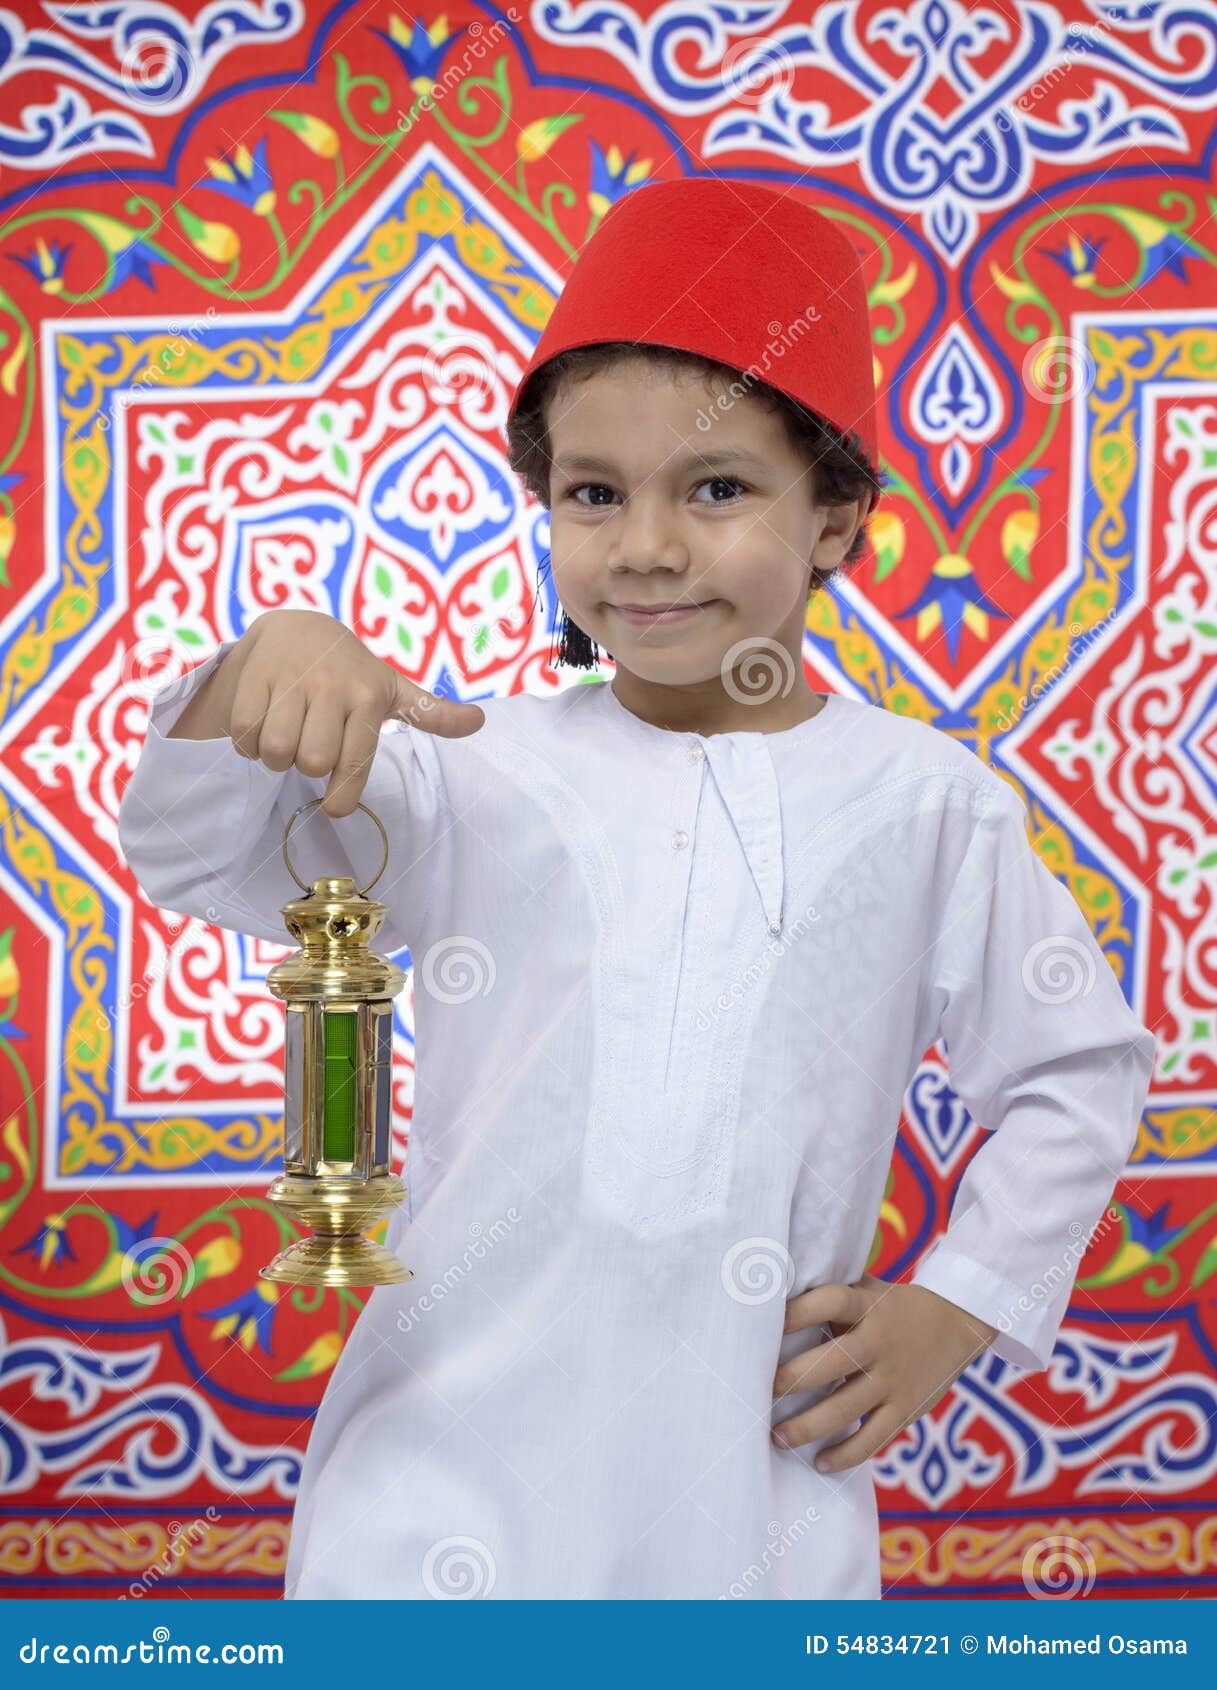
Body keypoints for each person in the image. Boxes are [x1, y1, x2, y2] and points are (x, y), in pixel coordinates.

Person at [116, 178, 1157, 1600]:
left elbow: (1077, 1070)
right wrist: (266, 660)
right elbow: (196, 850)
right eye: (593, 494)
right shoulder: (463, 768)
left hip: (754, 1493)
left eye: (716, 489)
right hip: (431, 1489)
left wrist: (960, 1303)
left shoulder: (928, 804)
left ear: (838, 519)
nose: (648, 545)